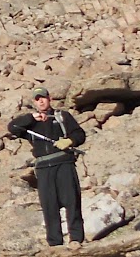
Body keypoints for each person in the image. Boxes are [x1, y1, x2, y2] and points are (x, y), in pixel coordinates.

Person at [8, 86, 88, 246]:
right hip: (43, 168)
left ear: (49, 98)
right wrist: (32, 118)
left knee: (71, 201)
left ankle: (76, 239)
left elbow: (80, 134)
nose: (41, 101)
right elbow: (12, 128)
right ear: (34, 102)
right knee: (49, 205)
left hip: (64, 163)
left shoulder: (61, 116)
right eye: (37, 99)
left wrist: (70, 141)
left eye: (43, 97)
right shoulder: (30, 123)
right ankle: (55, 243)